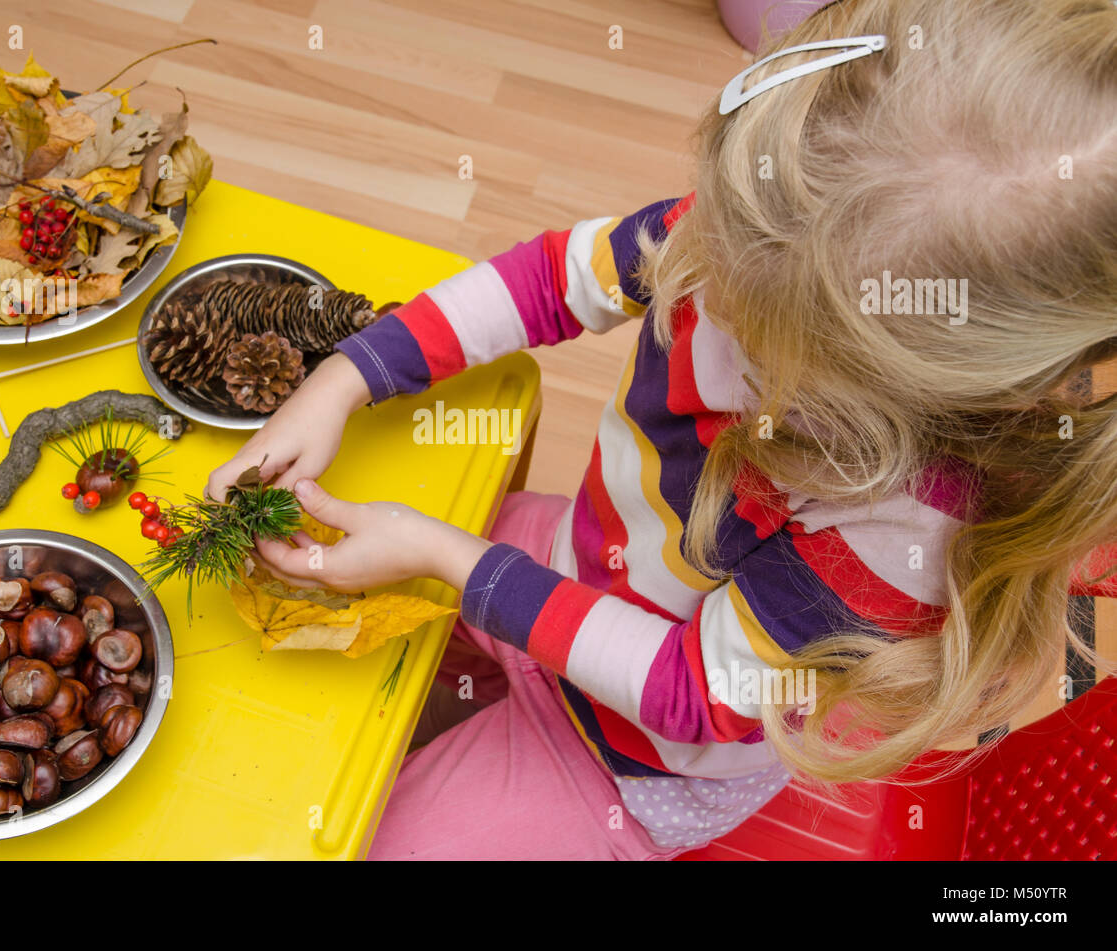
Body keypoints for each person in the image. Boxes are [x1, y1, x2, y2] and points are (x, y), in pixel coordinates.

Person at [206, 0, 1117, 859]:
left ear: (887, 390)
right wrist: (347, 376)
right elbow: (548, 281)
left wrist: (450, 559)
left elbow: (686, 692)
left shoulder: (903, 530)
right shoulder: (760, 229)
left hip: (630, 759)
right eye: (710, 238)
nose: (696, 280)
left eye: (750, 326)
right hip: (560, 565)